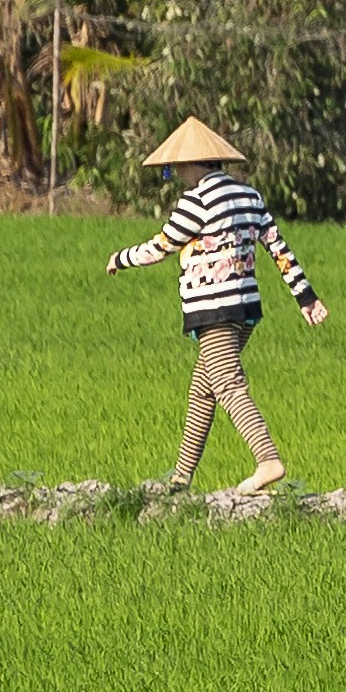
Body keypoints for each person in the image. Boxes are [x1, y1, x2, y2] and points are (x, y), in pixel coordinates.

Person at [106, 118, 324, 494]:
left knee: (227, 383)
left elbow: (163, 245)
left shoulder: (196, 201)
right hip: (245, 311)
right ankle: (180, 477)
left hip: (213, 311)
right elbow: (279, 249)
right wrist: (305, 297)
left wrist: (121, 258)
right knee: (202, 389)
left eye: (175, 169)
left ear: (191, 164)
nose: (176, 176)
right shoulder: (249, 196)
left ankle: (267, 459)